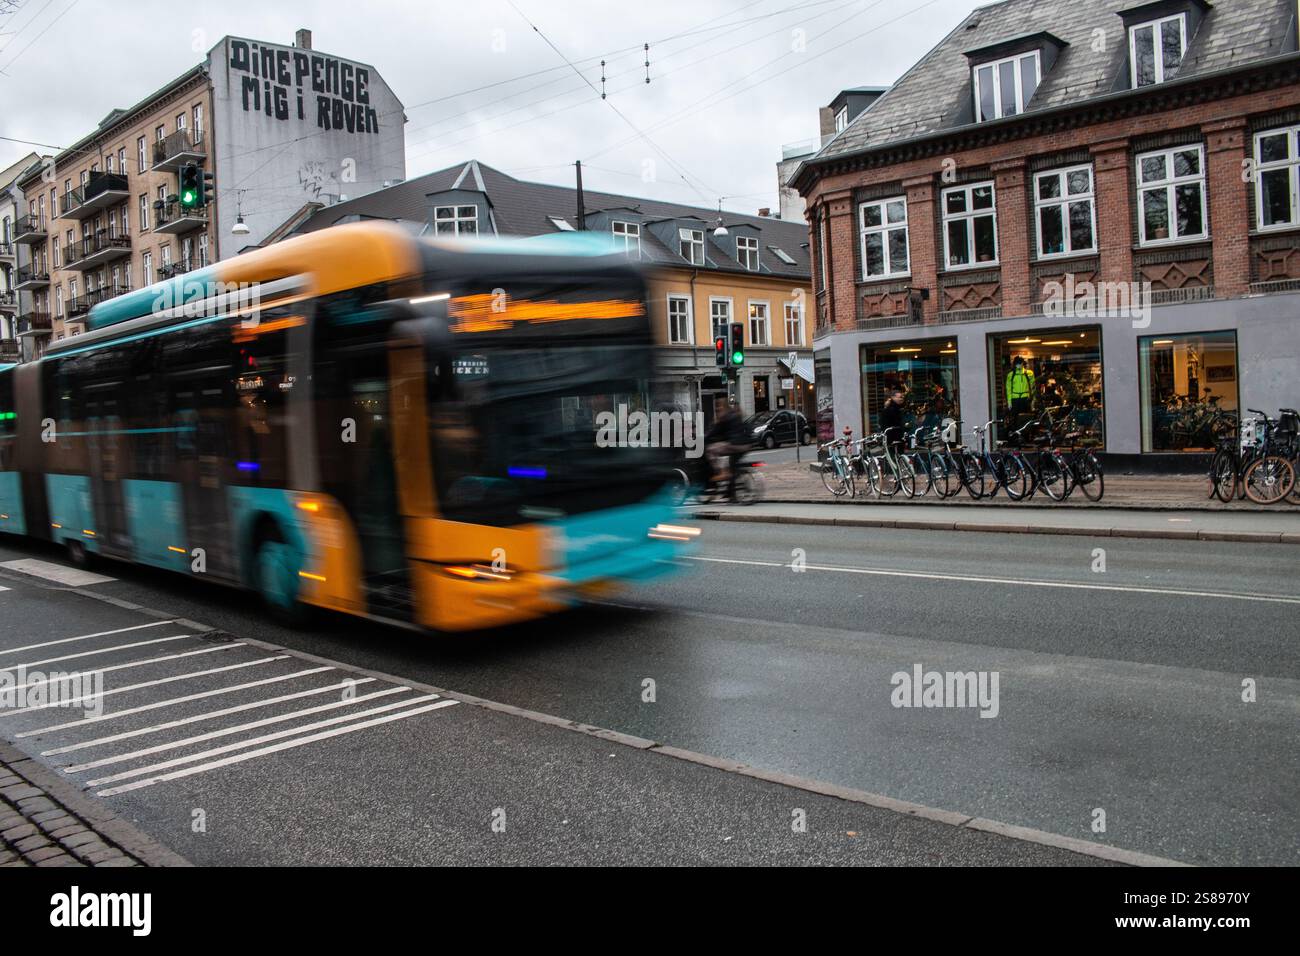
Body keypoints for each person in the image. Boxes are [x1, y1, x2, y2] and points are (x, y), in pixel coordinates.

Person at [705, 398, 749, 501]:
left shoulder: (725, 417)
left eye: (719, 406)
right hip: (746, 445)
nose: (717, 408)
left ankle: (719, 471)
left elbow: (715, 431)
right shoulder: (737, 415)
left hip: (734, 444)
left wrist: (705, 438)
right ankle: (731, 494)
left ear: (723, 407)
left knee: (711, 450)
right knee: (732, 468)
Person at [1005, 356, 1035, 427]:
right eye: (1017, 363)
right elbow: (1008, 389)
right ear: (1014, 364)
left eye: (1020, 363)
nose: (1018, 365)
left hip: (1025, 399)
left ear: (1023, 364)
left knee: (1026, 418)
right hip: (1015, 399)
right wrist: (1009, 402)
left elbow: (1033, 387)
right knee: (1015, 419)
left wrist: (1033, 400)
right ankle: (1016, 434)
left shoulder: (1029, 373)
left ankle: (1026, 435)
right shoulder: (1011, 375)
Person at [880, 387, 906, 454]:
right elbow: (884, 424)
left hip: (896, 437)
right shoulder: (892, 409)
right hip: (893, 437)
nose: (901, 399)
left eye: (902, 397)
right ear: (893, 397)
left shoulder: (899, 408)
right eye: (899, 397)